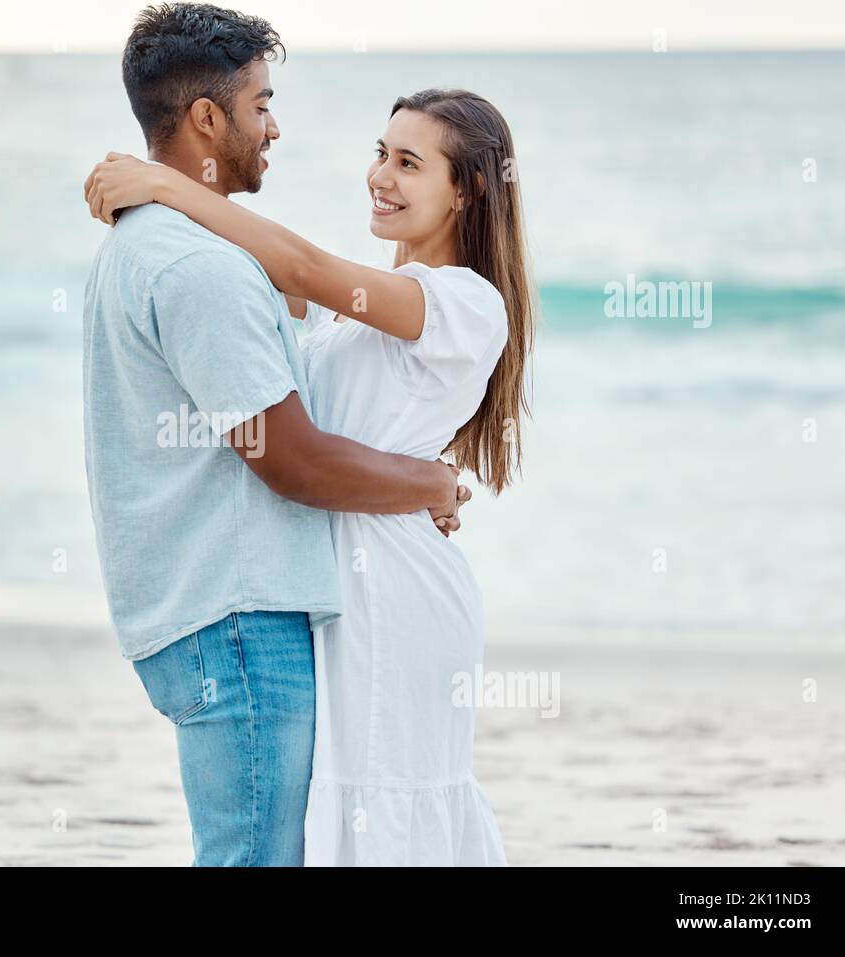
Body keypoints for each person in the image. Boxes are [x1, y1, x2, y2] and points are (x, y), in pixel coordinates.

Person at [85, 75, 535, 864]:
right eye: (380, 153)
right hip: (331, 582)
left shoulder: (465, 303)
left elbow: (297, 265)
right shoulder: (359, 310)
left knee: (386, 802)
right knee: (337, 815)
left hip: (394, 589)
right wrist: (157, 207)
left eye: (408, 164)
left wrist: (163, 182)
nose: (380, 177)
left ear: (465, 194)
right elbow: (242, 279)